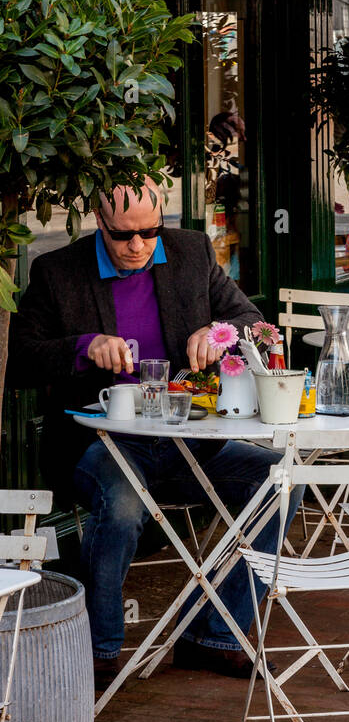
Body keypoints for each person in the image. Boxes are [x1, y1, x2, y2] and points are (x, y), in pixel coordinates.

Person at [8, 179, 301, 688]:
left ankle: (214, 635)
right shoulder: (57, 272)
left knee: (280, 483)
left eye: (150, 232)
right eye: (124, 236)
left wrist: (215, 333)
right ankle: (96, 653)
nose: (139, 245)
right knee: (122, 504)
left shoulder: (188, 252)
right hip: (99, 443)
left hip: (188, 441)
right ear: (100, 223)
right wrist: (83, 347)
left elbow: (249, 319)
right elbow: (21, 359)